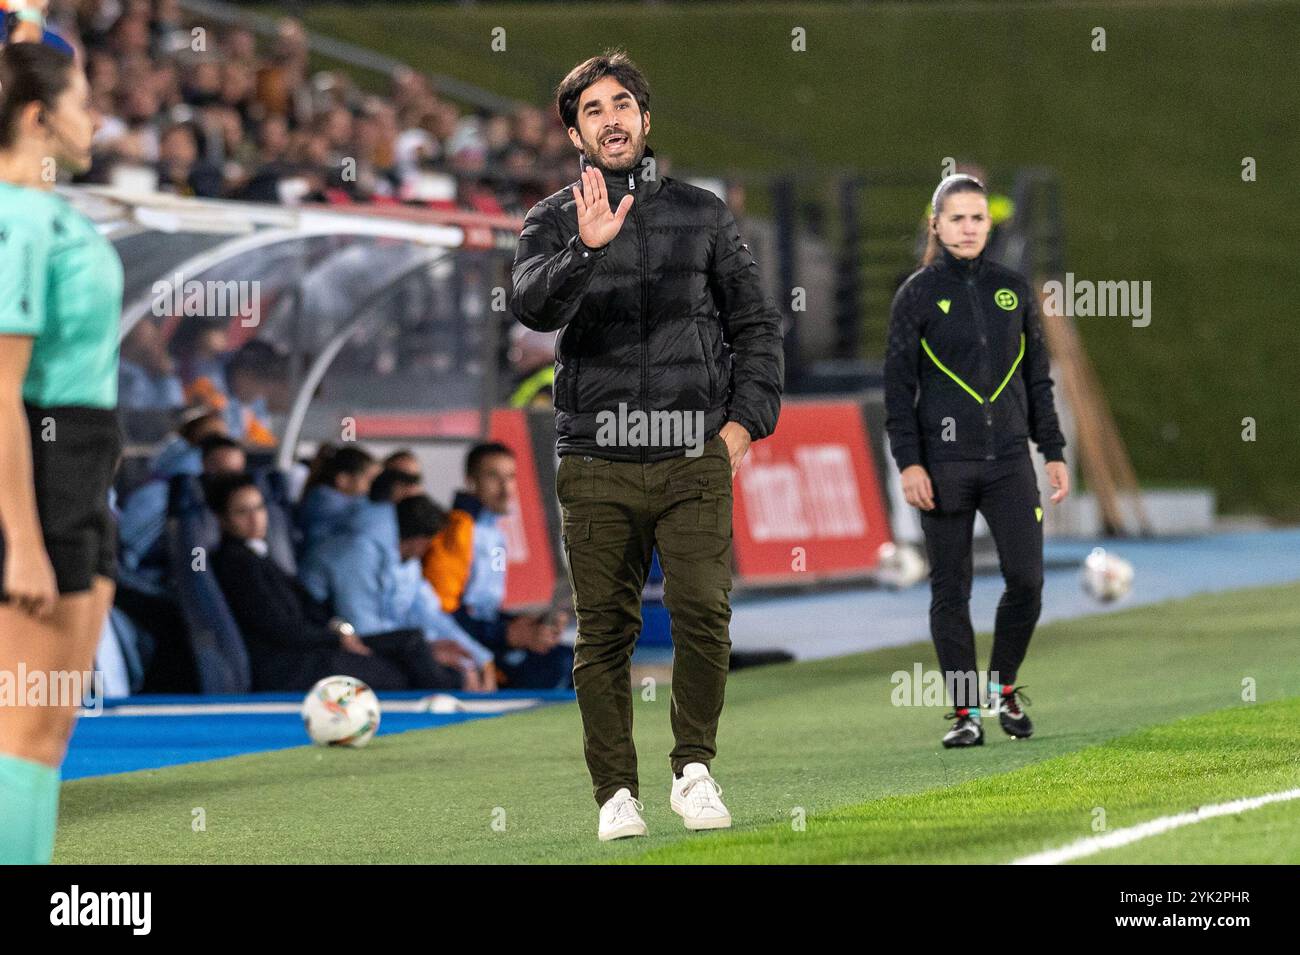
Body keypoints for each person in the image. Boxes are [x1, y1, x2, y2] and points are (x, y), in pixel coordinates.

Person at [509, 50, 783, 840]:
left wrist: (741, 425)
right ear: (574, 132)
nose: (612, 119)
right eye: (593, 110)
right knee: (604, 631)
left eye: (622, 104)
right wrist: (586, 247)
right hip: (593, 456)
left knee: (704, 610)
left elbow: (756, 327)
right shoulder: (551, 220)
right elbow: (528, 306)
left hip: (691, 451)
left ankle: (694, 768)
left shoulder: (703, 212)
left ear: (647, 119)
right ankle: (614, 794)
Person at [884, 173, 1070, 750]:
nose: (967, 228)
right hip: (944, 466)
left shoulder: (1013, 290)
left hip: (1011, 462)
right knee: (951, 590)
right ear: (935, 226)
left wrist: (1054, 451)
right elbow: (897, 390)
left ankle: (1004, 687)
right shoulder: (914, 294)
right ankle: (966, 712)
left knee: (1028, 581)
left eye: (977, 218)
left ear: (990, 226)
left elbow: (1038, 380)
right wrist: (910, 464)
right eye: (956, 218)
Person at [0, 41, 121, 864]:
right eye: (82, 100)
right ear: (40, 117)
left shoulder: (49, 208)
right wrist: (23, 540)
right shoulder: (14, 216)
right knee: (25, 724)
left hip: (85, 464)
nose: (97, 117)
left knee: (52, 725)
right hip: (42, 474)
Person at [207, 475, 460, 692]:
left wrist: (338, 628)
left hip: (313, 646)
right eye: (242, 512)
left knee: (411, 641)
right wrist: (334, 639)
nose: (255, 519)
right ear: (222, 519)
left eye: (259, 508)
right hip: (289, 664)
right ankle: (461, 692)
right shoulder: (236, 564)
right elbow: (279, 627)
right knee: (397, 671)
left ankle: (460, 685)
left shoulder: (259, 555)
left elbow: (307, 604)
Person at [300, 494, 497, 691]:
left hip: (376, 643)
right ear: (420, 540)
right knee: (421, 654)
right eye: (429, 543)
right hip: (326, 643)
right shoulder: (357, 552)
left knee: (454, 667)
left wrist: (480, 658)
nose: (427, 551)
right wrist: (429, 649)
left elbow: (429, 614)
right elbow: (362, 626)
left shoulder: (406, 561)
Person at [424, 442, 573, 689]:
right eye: (494, 477)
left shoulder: (494, 531)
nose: (506, 489)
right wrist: (506, 634)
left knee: (570, 660)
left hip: (487, 639)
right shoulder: (459, 530)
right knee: (559, 666)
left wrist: (527, 626)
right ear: (471, 481)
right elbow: (440, 613)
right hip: (462, 647)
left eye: (511, 477)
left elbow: (483, 609)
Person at [297, 444, 379, 558]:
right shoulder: (327, 505)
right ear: (343, 480)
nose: (375, 488)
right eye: (370, 481)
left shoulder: (320, 498)